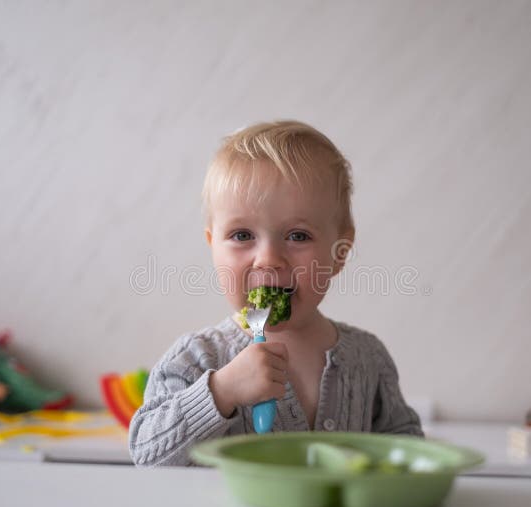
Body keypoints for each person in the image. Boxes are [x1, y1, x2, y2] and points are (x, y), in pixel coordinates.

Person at [129, 120, 423, 466]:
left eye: (298, 236)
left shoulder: (367, 358)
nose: (268, 259)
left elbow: (407, 452)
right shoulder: (197, 358)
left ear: (340, 252)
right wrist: (220, 393)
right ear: (213, 247)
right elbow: (147, 455)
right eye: (241, 235)